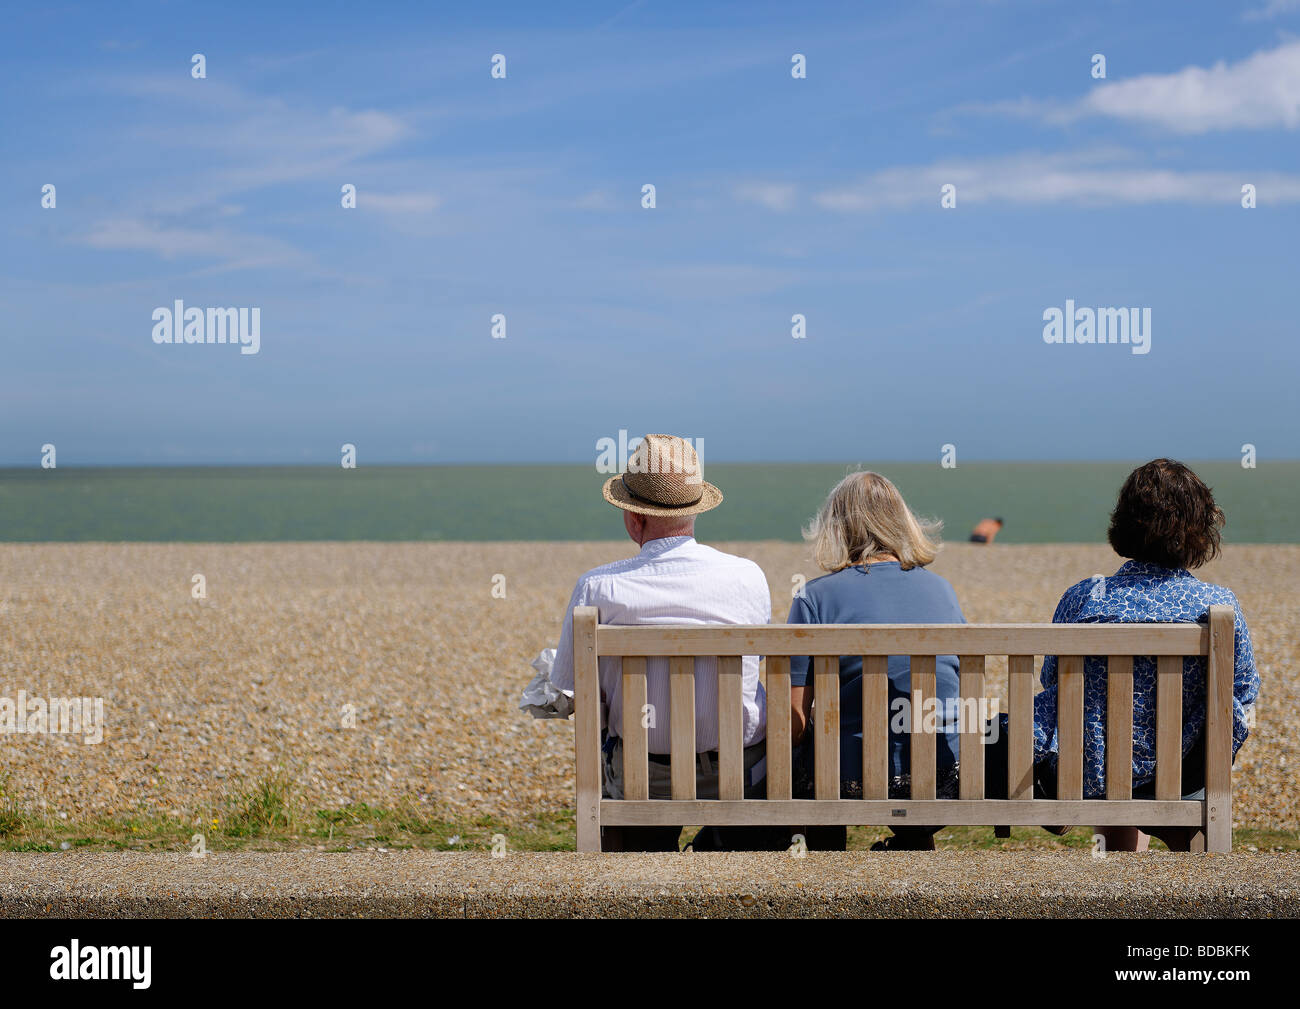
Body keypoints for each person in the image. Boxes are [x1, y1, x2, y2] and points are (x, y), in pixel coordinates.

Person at [548, 434, 773, 851]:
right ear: (694, 510)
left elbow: (567, 693)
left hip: (643, 777)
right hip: (738, 773)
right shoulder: (747, 577)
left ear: (635, 519)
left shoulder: (599, 587)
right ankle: (716, 849)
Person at [1024, 459, 1260, 851]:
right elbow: (1245, 688)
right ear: (1200, 530)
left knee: (1105, 743)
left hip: (1093, 771)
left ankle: (1118, 862)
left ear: (1124, 523)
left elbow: (1053, 679)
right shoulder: (1216, 603)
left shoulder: (1086, 597)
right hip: (1183, 772)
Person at [786, 471, 967, 851]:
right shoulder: (941, 590)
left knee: (809, 747)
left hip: (846, 778)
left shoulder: (813, 598)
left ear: (838, 528)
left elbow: (794, 721)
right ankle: (912, 844)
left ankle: (825, 857)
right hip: (942, 772)